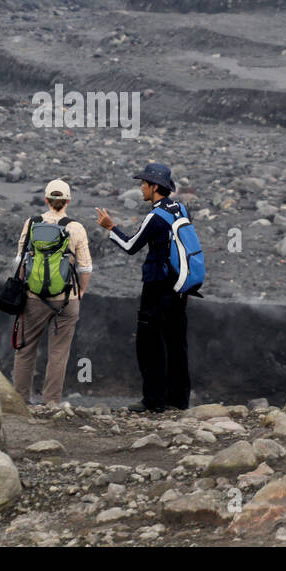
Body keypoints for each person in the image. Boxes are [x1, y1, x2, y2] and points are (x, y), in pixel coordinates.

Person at [95, 161, 190, 413]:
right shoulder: (180, 208)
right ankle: (178, 401)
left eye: (144, 183)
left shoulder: (155, 216)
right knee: (176, 341)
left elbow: (130, 246)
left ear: (155, 186)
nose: (141, 188)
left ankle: (154, 400)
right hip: (180, 285)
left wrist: (110, 227)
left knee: (149, 343)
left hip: (157, 287)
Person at [11, 179, 93, 408]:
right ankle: (51, 402)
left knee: (25, 350)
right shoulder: (75, 227)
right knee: (59, 352)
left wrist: (24, 288)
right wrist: (82, 290)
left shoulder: (32, 223)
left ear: (46, 200)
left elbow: (20, 261)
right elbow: (85, 267)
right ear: (68, 201)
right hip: (67, 299)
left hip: (33, 297)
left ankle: (20, 401)